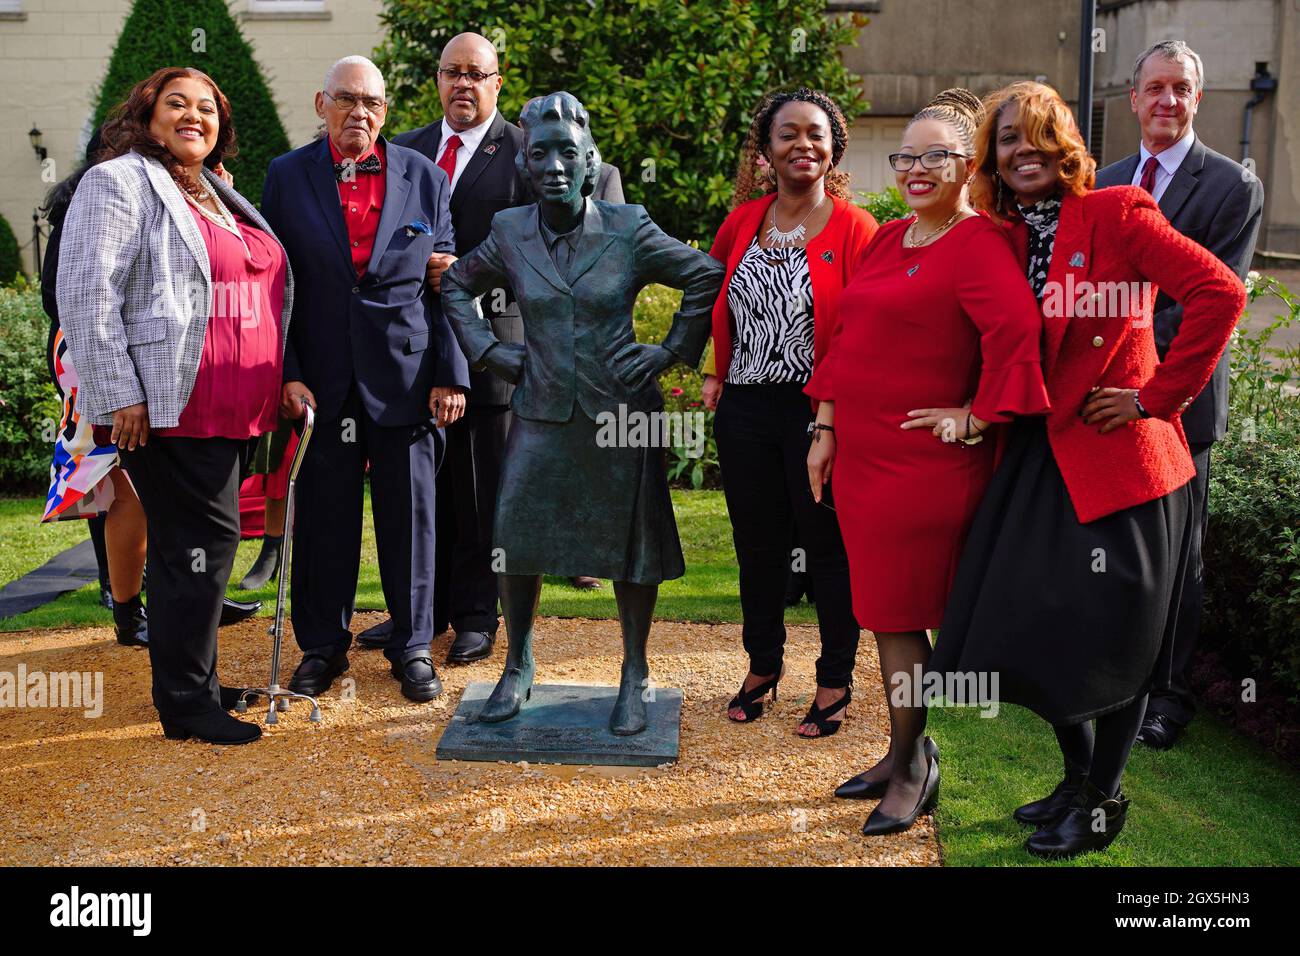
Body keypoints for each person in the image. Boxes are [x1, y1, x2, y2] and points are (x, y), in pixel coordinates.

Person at [928, 81, 1245, 858]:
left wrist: (1155, 397)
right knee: (1043, 634)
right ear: (992, 158)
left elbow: (1220, 291)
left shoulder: (1116, 212)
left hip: (1119, 466)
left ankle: (1103, 801)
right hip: (1036, 460)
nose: (1023, 149)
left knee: (1113, 642)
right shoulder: (995, 234)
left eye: (1039, 134)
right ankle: (1076, 781)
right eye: (1007, 139)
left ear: (1065, 145)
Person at [441, 91, 724, 735]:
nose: (555, 166)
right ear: (526, 166)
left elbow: (705, 274)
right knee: (515, 538)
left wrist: (669, 351)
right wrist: (488, 350)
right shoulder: (511, 232)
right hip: (540, 411)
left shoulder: (627, 228)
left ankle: (634, 670)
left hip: (621, 413)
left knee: (632, 546)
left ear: (590, 160)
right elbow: (458, 283)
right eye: (540, 154)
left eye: (568, 152)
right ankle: (517, 663)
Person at [805, 89, 1050, 834]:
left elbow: (1016, 335)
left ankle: (913, 765)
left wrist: (977, 416)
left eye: (934, 156)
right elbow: (846, 340)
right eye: (906, 155)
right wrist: (826, 424)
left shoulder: (978, 243)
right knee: (884, 615)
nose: (915, 168)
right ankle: (902, 748)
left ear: (967, 165)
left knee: (902, 616)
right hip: (863, 456)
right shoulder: (891, 238)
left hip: (926, 468)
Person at [57, 67, 294, 744]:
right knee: (203, 542)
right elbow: (86, 291)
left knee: (196, 546)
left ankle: (194, 679)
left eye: (208, 109)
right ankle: (187, 704)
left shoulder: (219, 191)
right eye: (177, 104)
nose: (194, 116)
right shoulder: (119, 180)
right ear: (147, 114)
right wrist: (117, 393)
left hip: (234, 408)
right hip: (167, 405)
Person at [260, 56, 469, 704]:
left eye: (372, 102)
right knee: (324, 521)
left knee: (412, 521)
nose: (360, 113)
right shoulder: (286, 177)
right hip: (322, 381)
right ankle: (322, 648)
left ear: (385, 110)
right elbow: (274, 285)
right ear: (321, 103)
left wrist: (451, 375)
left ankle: (411, 648)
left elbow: (448, 284)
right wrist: (288, 374)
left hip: (407, 377)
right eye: (346, 100)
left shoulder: (425, 177)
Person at [1096, 40, 1264, 751]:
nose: (1167, 100)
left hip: (1182, 406)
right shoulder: (1102, 182)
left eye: (1181, 89)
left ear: (1199, 100)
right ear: (1132, 99)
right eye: (1155, 87)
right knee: (1115, 551)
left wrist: (1126, 349)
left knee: (1178, 558)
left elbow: (1206, 301)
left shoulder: (1232, 187)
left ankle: (1168, 700)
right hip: (1104, 405)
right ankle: (1108, 680)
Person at [701, 89, 876, 738]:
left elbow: (861, 334)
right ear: (766, 150)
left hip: (818, 410)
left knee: (827, 549)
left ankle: (834, 680)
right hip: (746, 408)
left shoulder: (856, 230)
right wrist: (715, 368)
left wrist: (830, 419)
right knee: (759, 548)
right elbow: (713, 296)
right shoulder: (744, 222)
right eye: (788, 134)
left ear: (834, 147)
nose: (803, 144)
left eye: (816, 134)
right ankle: (763, 667)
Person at [357, 32, 530, 664]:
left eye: (475, 74)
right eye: (451, 72)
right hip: (413, 354)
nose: (463, 83)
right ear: (437, 80)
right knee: (419, 494)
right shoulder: (402, 150)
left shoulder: (526, 153)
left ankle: (477, 615)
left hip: (491, 351)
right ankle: (418, 617)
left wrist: (471, 271)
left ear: (496, 83)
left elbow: (549, 253)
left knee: (480, 493)